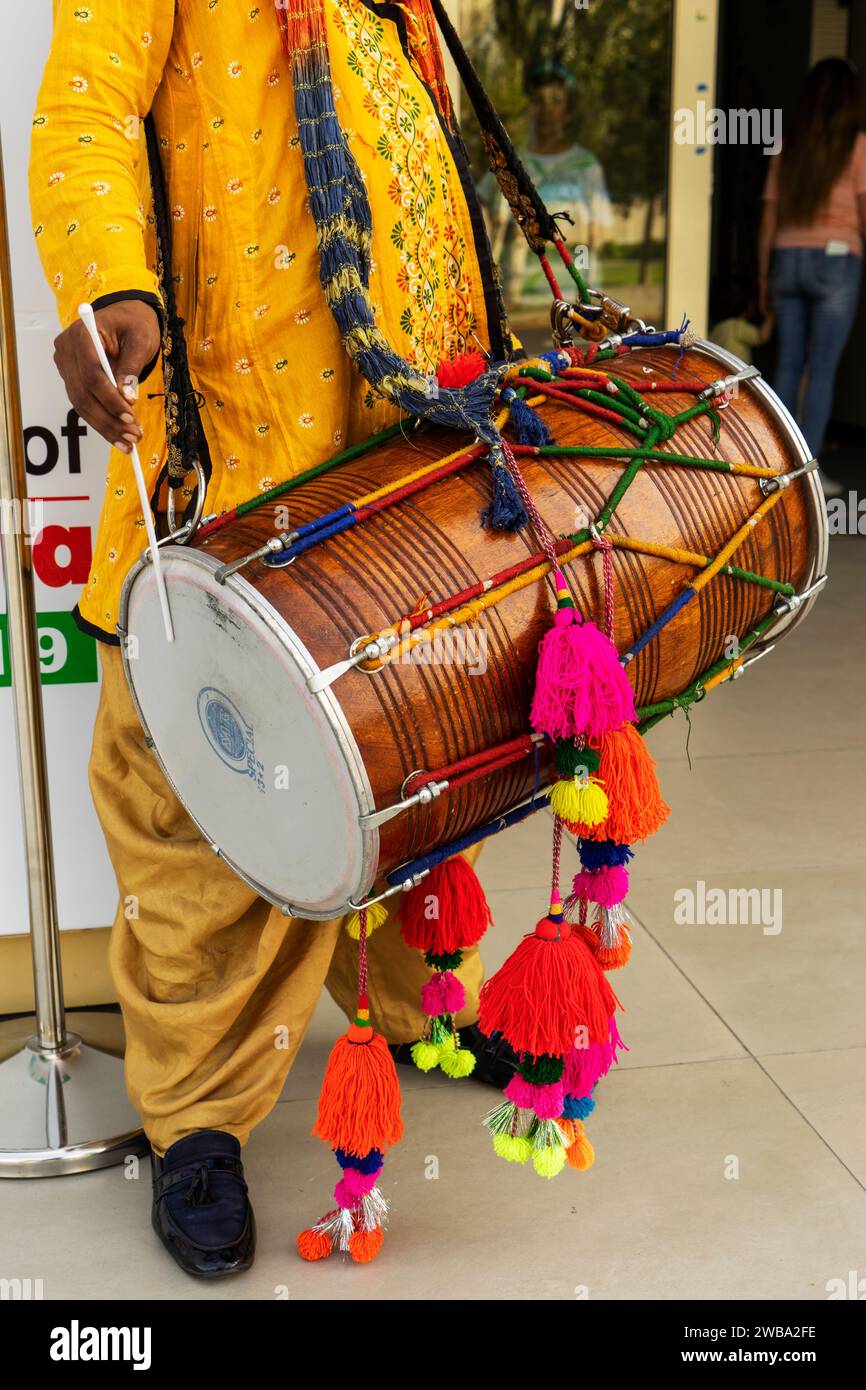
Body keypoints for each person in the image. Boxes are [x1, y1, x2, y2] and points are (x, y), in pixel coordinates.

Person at [29, 0, 515, 1279]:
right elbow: (84, 103)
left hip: (404, 455)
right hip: (239, 457)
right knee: (195, 803)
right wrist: (110, 286)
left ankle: (415, 1013)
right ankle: (193, 1122)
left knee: (417, 755)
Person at [759, 57, 866, 497]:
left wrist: (762, 278)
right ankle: (806, 478)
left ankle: (773, 465)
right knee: (820, 371)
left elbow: (768, 218)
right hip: (836, 260)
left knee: (787, 364)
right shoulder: (857, 146)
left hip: (788, 257)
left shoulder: (789, 145)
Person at [479, 61, 611, 305]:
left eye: (556, 100)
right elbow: (482, 209)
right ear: (530, 107)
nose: (546, 110)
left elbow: (596, 234)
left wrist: (588, 294)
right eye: (539, 100)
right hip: (516, 301)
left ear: (569, 110)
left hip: (573, 298)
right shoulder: (512, 162)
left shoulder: (585, 166)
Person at [708, 274, 774, 365]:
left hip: (722, 373)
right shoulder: (737, 326)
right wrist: (771, 316)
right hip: (738, 374)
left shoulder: (716, 330)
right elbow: (762, 336)